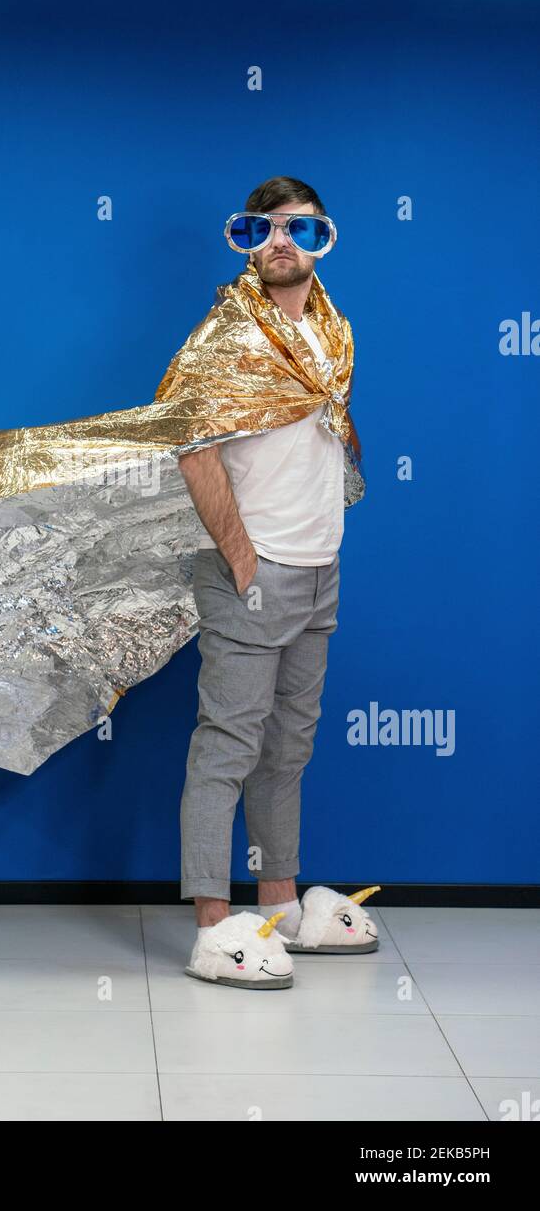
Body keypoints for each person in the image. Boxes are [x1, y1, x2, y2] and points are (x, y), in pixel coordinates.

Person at [176, 176, 379, 987]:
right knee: (224, 747)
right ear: (243, 240)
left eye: (299, 228)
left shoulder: (332, 332)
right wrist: (239, 556)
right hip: (251, 572)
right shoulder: (226, 338)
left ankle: (280, 907)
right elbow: (191, 448)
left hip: (319, 568)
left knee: (286, 749)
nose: (280, 242)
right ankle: (213, 929)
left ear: (323, 238)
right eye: (260, 229)